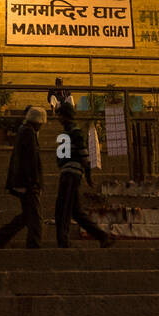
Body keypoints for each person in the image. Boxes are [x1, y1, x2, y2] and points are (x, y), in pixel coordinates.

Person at [53, 104, 114, 249]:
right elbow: (62, 158)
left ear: (65, 115)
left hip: (70, 175)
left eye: (60, 114)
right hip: (68, 173)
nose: (58, 118)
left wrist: (88, 176)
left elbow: (84, 156)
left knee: (64, 209)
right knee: (76, 212)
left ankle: (63, 241)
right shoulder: (66, 133)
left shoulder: (74, 132)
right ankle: (102, 236)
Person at [0, 106, 46, 249]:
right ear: (37, 121)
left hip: (23, 180)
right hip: (28, 182)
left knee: (27, 215)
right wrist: (35, 182)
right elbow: (31, 161)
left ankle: (1, 235)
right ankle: (34, 244)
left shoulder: (24, 131)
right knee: (35, 216)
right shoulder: (29, 133)